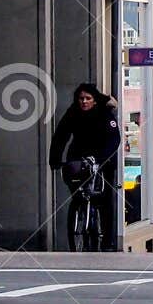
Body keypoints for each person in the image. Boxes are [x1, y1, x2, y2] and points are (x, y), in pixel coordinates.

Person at [48, 84, 123, 251]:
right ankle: (78, 215)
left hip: (102, 160)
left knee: (105, 200)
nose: (84, 101)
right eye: (81, 98)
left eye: (88, 98)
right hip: (78, 157)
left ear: (95, 101)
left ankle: (107, 241)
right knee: (77, 194)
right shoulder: (73, 113)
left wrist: (101, 159)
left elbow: (114, 139)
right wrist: (55, 159)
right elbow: (61, 135)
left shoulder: (105, 114)